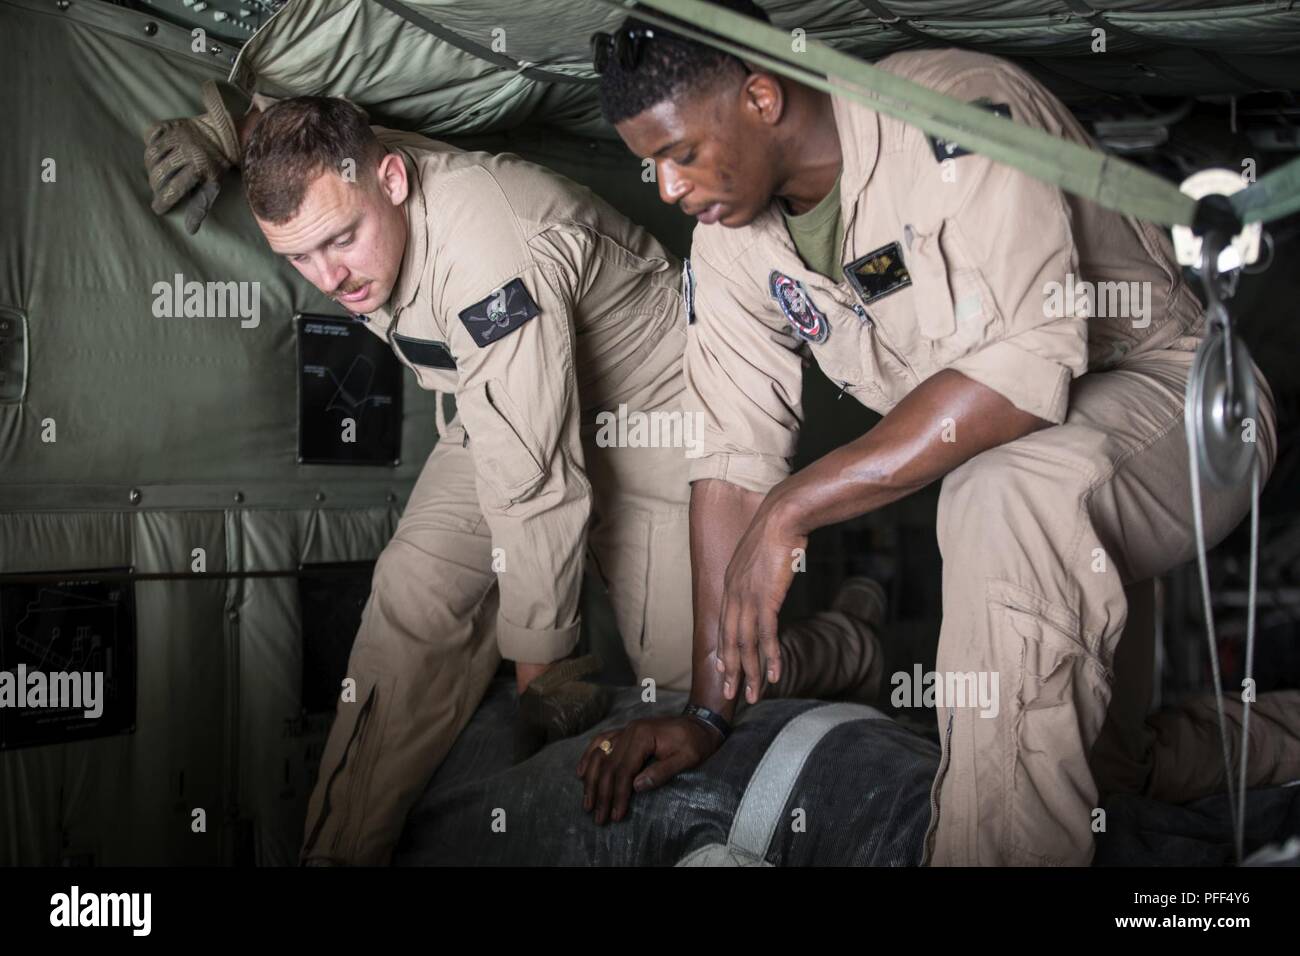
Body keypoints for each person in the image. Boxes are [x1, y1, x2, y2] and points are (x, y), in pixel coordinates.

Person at [581, 0, 1299, 865]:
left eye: (679, 154)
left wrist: (792, 510)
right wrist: (705, 713)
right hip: (1054, 467)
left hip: (1178, 405)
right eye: (650, 166)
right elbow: (731, 464)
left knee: (997, 495)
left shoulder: (956, 113)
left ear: (762, 99)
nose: (668, 188)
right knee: (1107, 773)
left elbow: (1022, 372)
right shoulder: (732, 246)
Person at [141, 83, 888, 864]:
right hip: (504, 400)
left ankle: (849, 642)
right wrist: (222, 129)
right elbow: (278, 111)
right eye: (297, 257)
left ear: (393, 181)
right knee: (413, 597)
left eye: (343, 239)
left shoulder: (486, 253)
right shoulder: (327, 172)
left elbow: (535, 482)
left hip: (654, 410)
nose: (329, 277)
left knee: (698, 688)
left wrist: (543, 675)